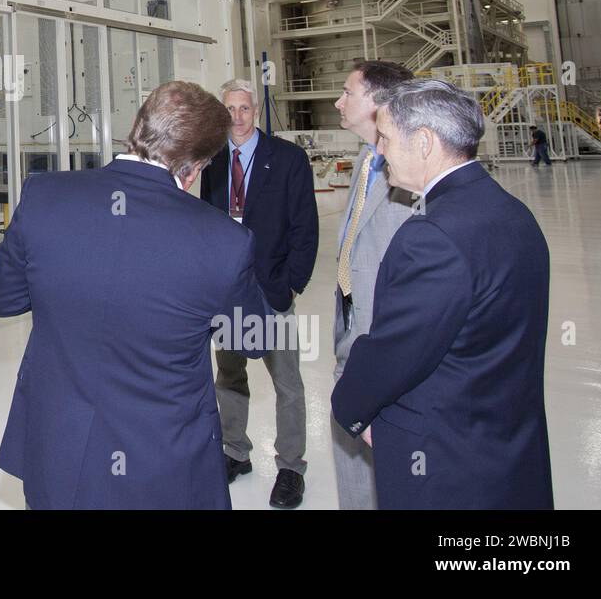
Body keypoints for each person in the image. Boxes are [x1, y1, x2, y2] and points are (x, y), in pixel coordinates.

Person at [0, 81, 272, 509]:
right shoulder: (223, 242)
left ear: (137, 126)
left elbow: (3, 299)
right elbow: (255, 337)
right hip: (163, 466)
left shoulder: (45, 196)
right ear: (194, 167)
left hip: (60, 452)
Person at [331, 79, 553, 509]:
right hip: (505, 444)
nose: (379, 152)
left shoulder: (432, 237)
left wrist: (351, 405)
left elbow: (396, 353)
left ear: (426, 143)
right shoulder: (512, 213)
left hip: (443, 461)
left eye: (388, 139)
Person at [199, 78, 318, 508]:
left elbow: (306, 228)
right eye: (230, 108)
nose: (238, 117)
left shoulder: (287, 159)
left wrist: (290, 285)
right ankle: (235, 451)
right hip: (228, 292)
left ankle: (290, 467)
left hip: (271, 289)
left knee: (287, 382)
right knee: (229, 376)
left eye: (245, 108)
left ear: (256, 111)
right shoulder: (212, 161)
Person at [329, 60, 416, 509]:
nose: (338, 101)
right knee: (351, 460)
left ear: (378, 102)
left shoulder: (409, 175)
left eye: (348, 93)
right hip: (352, 330)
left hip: (385, 344)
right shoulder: (366, 159)